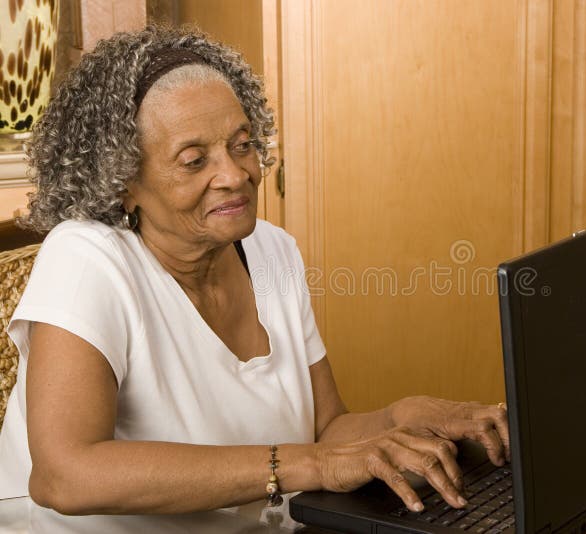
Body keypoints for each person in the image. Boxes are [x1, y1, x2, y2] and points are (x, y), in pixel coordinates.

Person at [0, 25, 509, 516]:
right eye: (195, 160)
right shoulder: (87, 260)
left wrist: (399, 418)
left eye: (242, 144)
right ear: (124, 181)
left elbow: (326, 429)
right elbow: (64, 476)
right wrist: (302, 464)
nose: (235, 174)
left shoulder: (271, 250)